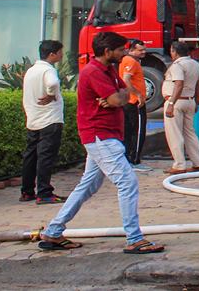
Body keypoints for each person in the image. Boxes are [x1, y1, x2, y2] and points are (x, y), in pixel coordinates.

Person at [37, 32, 164, 254]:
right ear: (107, 52)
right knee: (127, 182)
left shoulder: (108, 70)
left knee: (88, 185)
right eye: (120, 49)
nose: (124, 52)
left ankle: (53, 231)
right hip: (100, 135)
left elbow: (120, 96)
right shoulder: (94, 72)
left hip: (104, 135)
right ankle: (134, 238)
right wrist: (118, 97)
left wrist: (118, 96)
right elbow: (118, 98)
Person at [21, 40, 66, 204]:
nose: (62, 55)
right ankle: (44, 192)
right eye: (60, 52)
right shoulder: (48, 70)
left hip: (34, 119)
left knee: (30, 156)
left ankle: (27, 191)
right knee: (45, 157)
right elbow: (53, 83)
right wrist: (51, 94)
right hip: (49, 119)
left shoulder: (31, 71)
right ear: (52, 54)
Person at [162, 41, 199, 176]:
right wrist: (196, 102)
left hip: (176, 101)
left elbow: (178, 84)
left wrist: (171, 103)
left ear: (175, 51)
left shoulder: (178, 65)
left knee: (174, 133)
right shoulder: (195, 64)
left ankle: (179, 164)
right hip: (189, 100)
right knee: (190, 133)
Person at [119, 39, 150, 171]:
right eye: (140, 50)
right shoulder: (130, 61)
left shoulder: (130, 61)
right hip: (134, 102)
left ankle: (130, 159)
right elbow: (126, 79)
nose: (143, 52)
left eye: (144, 49)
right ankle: (134, 160)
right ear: (132, 49)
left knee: (129, 131)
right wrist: (138, 95)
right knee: (137, 132)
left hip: (130, 100)